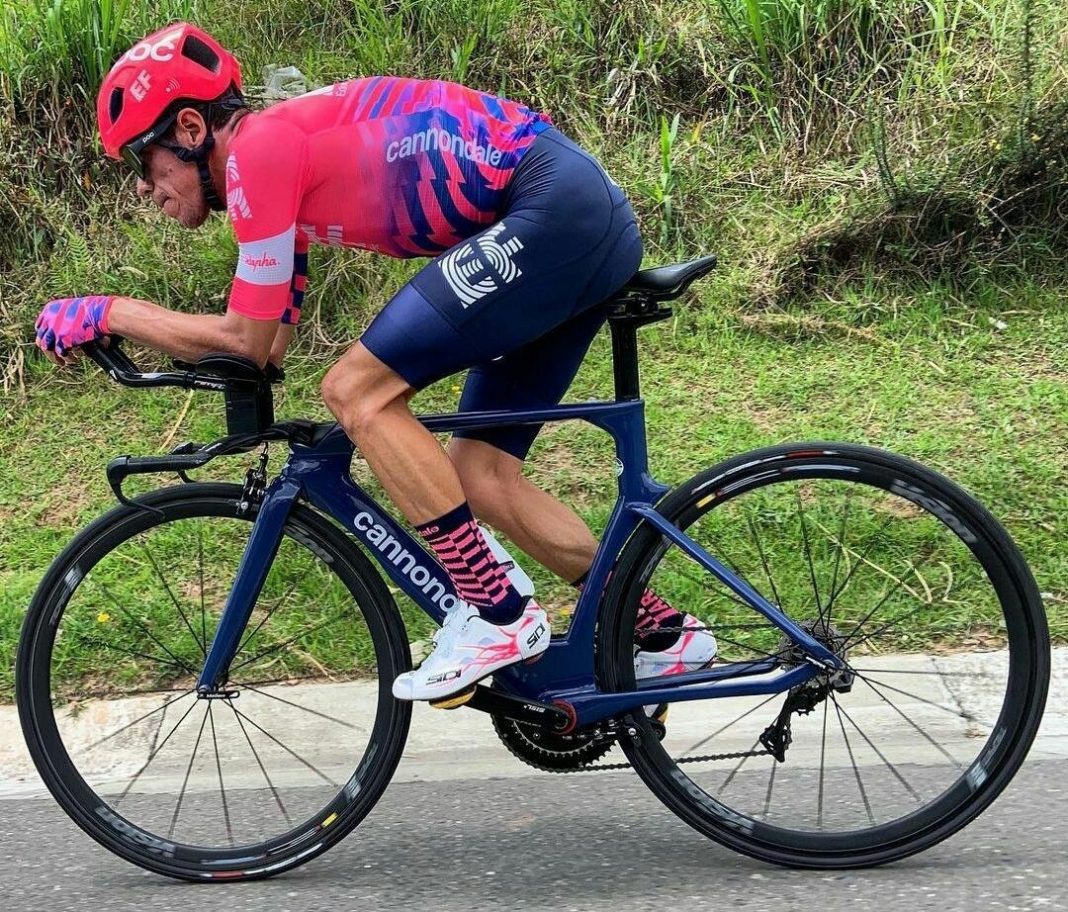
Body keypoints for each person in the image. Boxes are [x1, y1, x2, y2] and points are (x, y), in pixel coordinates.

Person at [35, 23, 717, 701]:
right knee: (481, 475)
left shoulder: (260, 152)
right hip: (564, 217)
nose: (144, 189)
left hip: (549, 211)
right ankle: (663, 636)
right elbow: (265, 349)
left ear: (189, 129)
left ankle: (499, 615)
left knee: (357, 392)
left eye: (142, 162)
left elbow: (243, 339)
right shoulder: (269, 175)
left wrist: (112, 313)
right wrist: (144, 346)